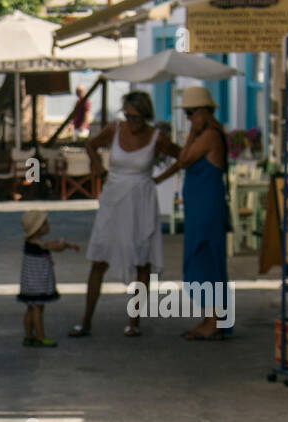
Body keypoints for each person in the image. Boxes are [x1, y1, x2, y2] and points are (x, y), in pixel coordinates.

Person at [69, 91, 180, 338]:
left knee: (142, 260)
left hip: (141, 200)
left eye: (137, 117)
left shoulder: (156, 137)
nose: (132, 122)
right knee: (99, 258)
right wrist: (98, 168)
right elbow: (91, 145)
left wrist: (160, 178)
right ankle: (86, 319)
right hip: (114, 197)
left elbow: (182, 156)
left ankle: (134, 321)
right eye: (128, 116)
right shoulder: (114, 129)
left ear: (146, 116)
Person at [154, 86, 231, 339]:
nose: (188, 118)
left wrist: (190, 133)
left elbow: (185, 158)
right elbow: (181, 162)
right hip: (200, 206)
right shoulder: (207, 134)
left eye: (190, 113)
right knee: (202, 258)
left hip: (207, 206)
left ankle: (215, 320)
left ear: (203, 112)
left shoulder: (209, 135)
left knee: (206, 257)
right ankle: (210, 318)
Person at [18, 210, 79, 347]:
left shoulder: (32, 242)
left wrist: (67, 245)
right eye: (45, 223)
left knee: (30, 308)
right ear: (39, 229)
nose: (48, 224)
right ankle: (40, 336)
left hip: (29, 284)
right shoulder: (39, 244)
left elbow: (51, 244)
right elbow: (56, 246)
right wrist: (64, 244)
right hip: (37, 283)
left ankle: (29, 335)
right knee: (38, 308)